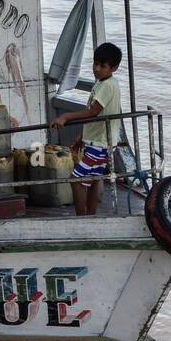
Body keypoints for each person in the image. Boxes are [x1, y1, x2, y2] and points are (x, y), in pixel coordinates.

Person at [50, 42, 122, 217]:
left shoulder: (107, 86)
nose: (97, 69)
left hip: (100, 144)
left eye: (102, 66)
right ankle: (90, 216)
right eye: (95, 64)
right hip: (99, 142)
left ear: (114, 68)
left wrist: (65, 117)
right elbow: (96, 115)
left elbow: (93, 112)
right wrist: (82, 136)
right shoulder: (103, 82)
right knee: (93, 180)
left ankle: (82, 219)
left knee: (76, 180)